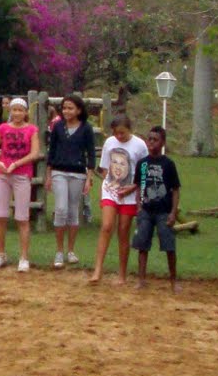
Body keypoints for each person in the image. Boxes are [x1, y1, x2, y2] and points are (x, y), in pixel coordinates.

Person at [89, 114, 149, 284]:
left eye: (122, 133)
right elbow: (104, 167)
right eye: (116, 133)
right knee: (107, 226)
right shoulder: (109, 142)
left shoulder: (139, 145)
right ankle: (98, 270)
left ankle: (122, 274)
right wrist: (110, 183)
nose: (119, 137)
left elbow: (143, 172)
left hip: (130, 193)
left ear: (130, 130)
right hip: (111, 189)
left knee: (123, 232)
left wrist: (133, 187)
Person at [0, 97, 40, 272]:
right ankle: (1, 254)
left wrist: (17, 164)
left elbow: (35, 153)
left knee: (22, 217)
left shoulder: (32, 129)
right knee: (0, 215)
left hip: (22, 174)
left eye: (20, 110)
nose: (17, 113)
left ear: (25, 112)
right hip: (3, 174)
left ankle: (24, 257)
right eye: (14, 110)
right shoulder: (2, 128)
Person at [45, 95, 95, 269]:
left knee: (74, 211)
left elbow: (91, 154)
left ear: (79, 110)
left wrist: (89, 177)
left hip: (78, 174)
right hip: (59, 171)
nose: (67, 111)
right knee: (60, 209)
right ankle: (59, 251)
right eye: (64, 108)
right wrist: (49, 174)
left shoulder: (86, 128)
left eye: (70, 108)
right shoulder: (58, 126)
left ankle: (71, 251)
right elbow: (51, 151)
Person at [132, 126, 182, 291]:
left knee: (169, 245)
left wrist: (173, 212)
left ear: (163, 142)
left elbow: (175, 190)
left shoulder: (168, 164)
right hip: (146, 210)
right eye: (149, 139)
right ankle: (141, 279)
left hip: (163, 211)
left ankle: (173, 281)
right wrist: (138, 206)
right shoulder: (143, 164)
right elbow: (139, 185)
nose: (151, 142)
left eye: (155, 140)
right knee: (142, 244)